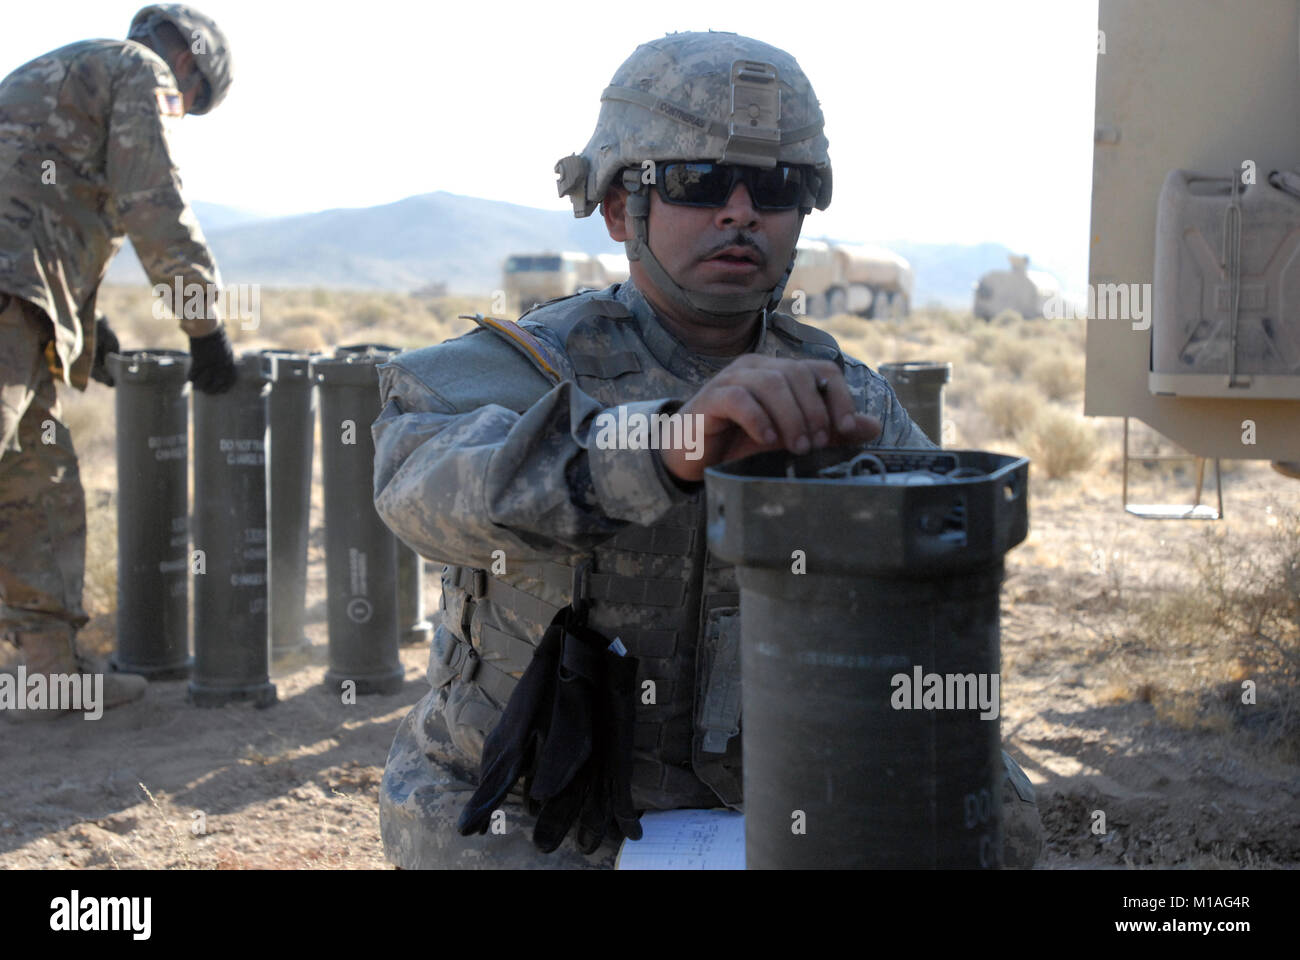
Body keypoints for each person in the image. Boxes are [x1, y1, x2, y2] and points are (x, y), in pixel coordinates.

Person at [372, 30, 1042, 868]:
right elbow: (426, 486)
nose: (740, 212)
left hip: (775, 800)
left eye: (774, 187)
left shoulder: (845, 394)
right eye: (695, 182)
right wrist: (662, 445)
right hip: (539, 807)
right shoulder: (511, 369)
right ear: (621, 209)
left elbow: (929, 600)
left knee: (999, 824)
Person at [0, 4, 238, 720]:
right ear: (190, 66)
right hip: (10, 292)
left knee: (38, 480)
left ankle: (49, 675)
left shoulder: (51, 69)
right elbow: (151, 200)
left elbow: (47, 195)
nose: (180, 111)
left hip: (26, 297)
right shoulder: (145, 72)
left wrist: (87, 322)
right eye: (191, 108)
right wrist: (206, 329)